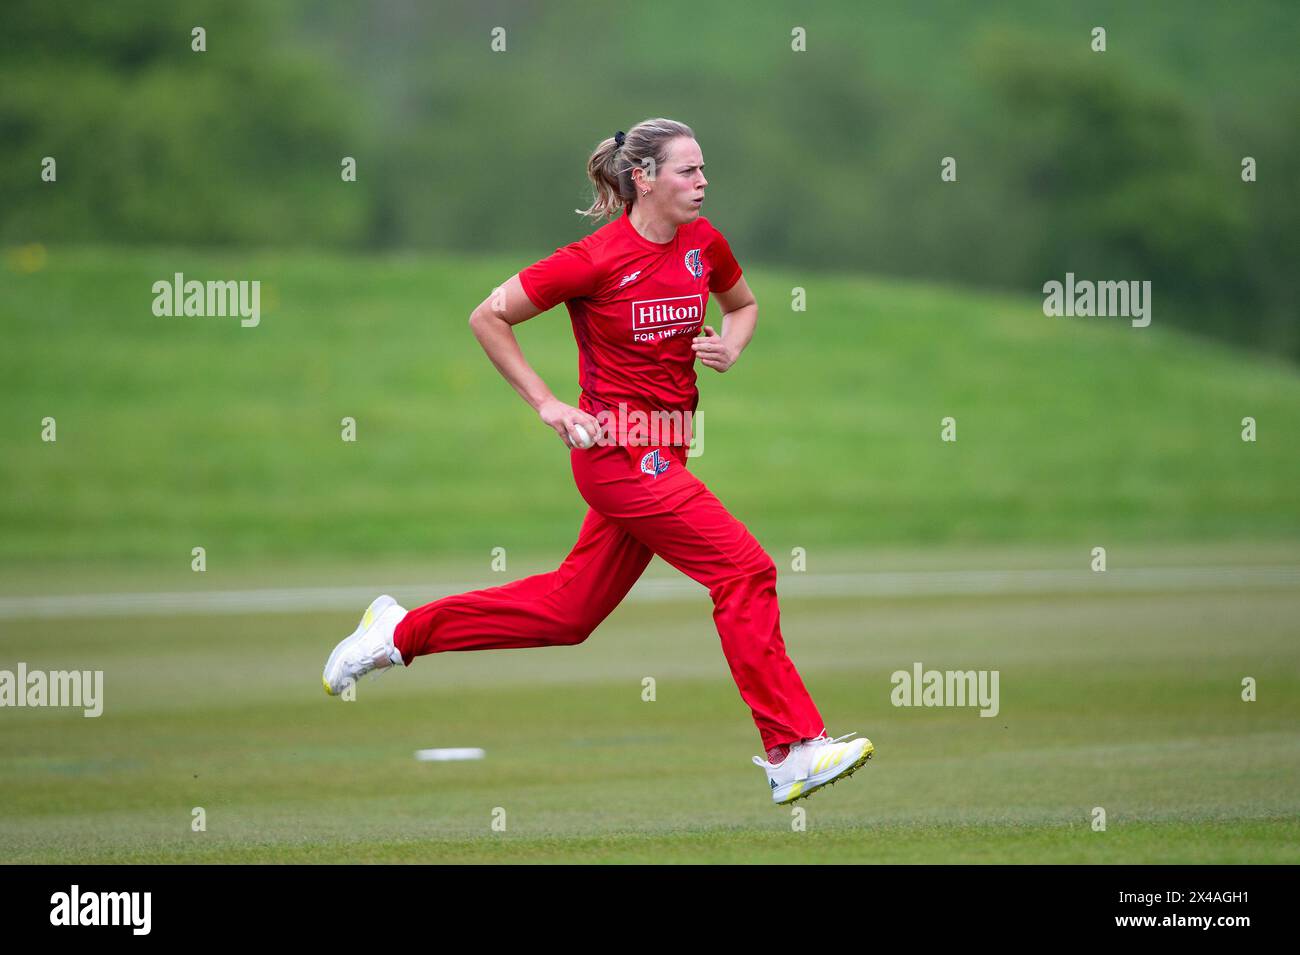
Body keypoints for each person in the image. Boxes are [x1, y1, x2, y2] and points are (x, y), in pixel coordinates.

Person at [321, 118, 872, 805]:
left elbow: (744, 304)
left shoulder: (705, 244)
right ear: (643, 178)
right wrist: (548, 403)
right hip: (616, 455)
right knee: (746, 568)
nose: (703, 183)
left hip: (665, 451)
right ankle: (792, 748)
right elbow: (487, 316)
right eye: (687, 172)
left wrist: (732, 345)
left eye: (703, 170)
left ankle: (396, 633)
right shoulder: (593, 257)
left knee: (567, 613)